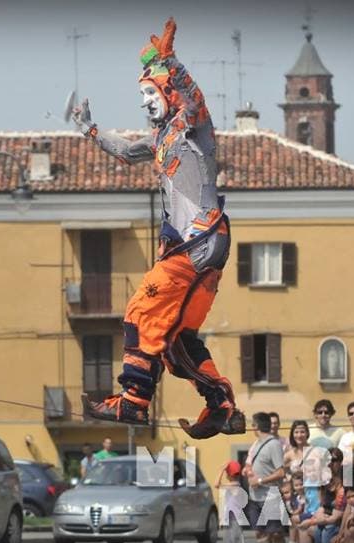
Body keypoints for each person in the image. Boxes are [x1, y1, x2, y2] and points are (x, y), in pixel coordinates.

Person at [74, 17, 244, 439]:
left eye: (151, 93)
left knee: (139, 312)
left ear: (169, 92)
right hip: (204, 249)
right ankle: (221, 405)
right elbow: (126, 150)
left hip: (198, 242)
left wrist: (172, 62)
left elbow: (195, 97)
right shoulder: (160, 140)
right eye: (142, 95)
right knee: (175, 338)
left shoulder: (196, 130)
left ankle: (133, 401)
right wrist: (91, 130)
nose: (145, 102)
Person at [244, 412, 286, 543]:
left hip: (270, 496)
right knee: (260, 534)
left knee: (276, 534)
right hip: (255, 497)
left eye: (252, 425)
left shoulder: (273, 444)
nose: (251, 428)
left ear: (256, 426)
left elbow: (281, 472)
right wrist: (247, 471)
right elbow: (249, 463)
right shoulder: (256, 444)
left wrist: (260, 480)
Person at [216, 460, 245, 543]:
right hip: (231, 519)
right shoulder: (236, 485)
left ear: (229, 474)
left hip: (234, 520)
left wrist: (221, 469)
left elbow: (216, 484)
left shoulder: (233, 485)